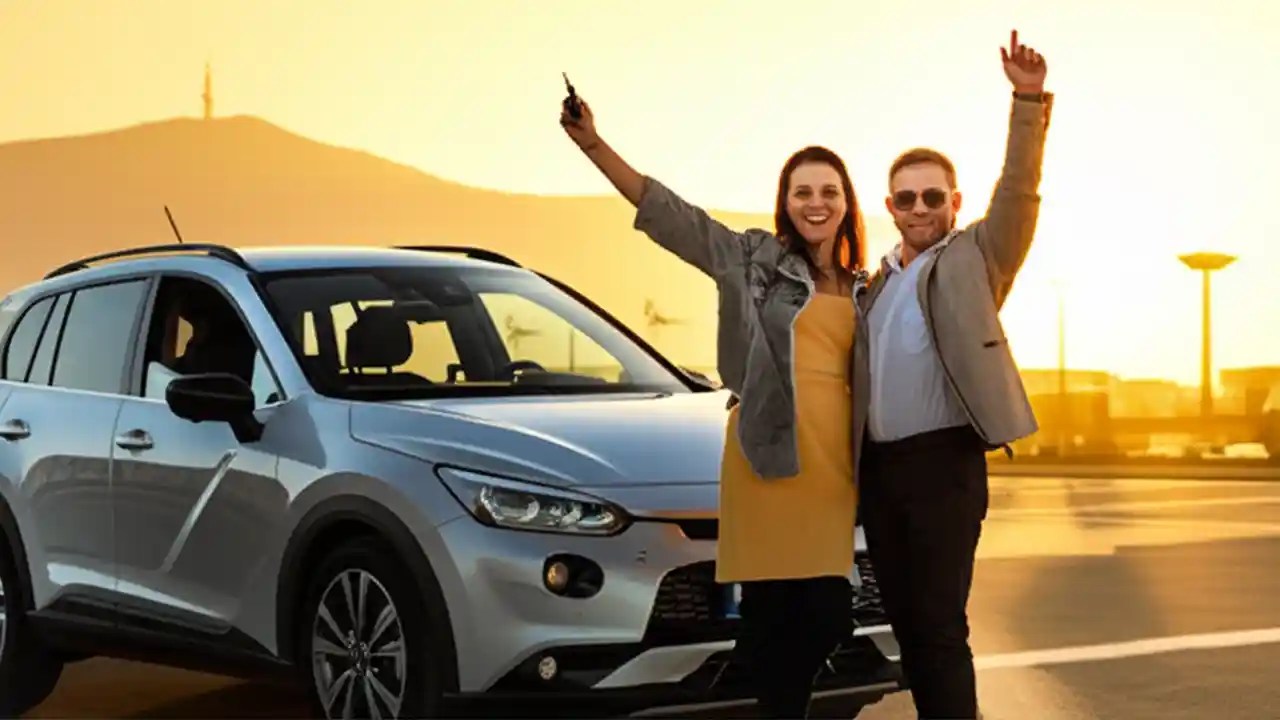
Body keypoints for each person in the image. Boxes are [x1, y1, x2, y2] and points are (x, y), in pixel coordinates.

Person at [560, 95, 869, 717]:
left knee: (827, 617)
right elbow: (671, 216)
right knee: (783, 614)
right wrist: (594, 144)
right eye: (802, 191)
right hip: (768, 456)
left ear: (846, 202)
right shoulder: (753, 258)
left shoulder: (865, 286)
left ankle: (752, 689)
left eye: (828, 191)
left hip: (833, 469)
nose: (816, 202)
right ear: (785, 202)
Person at [851, 29, 1053, 719]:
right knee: (908, 633)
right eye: (905, 200)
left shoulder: (975, 260)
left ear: (954, 203)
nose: (918, 210)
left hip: (944, 470)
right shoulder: (871, 285)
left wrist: (1027, 103)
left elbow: (1019, 194)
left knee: (939, 631)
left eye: (931, 197)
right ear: (891, 208)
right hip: (878, 474)